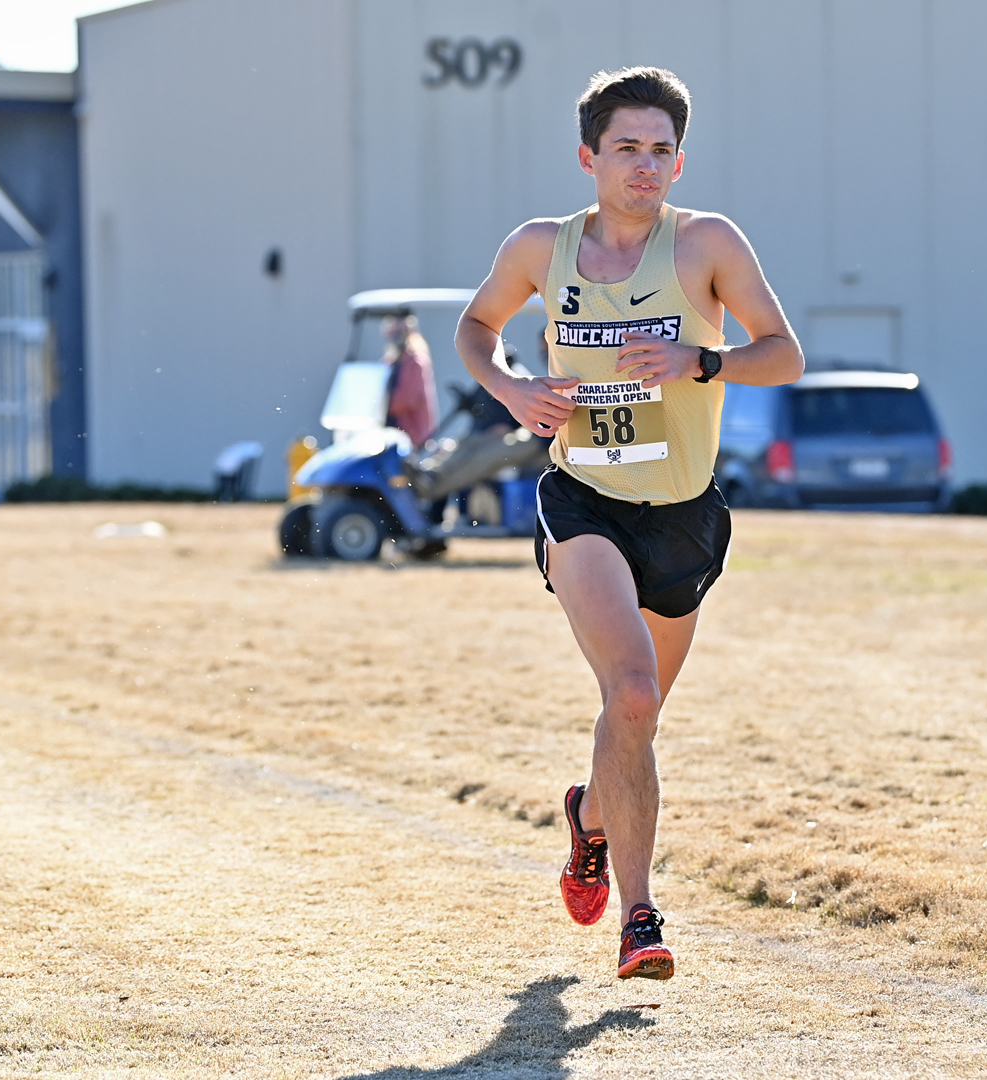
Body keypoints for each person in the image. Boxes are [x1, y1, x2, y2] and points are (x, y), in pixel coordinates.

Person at [456, 67, 803, 980]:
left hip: (682, 512)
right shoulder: (542, 247)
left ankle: (589, 818)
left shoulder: (707, 244)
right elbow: (476, 328)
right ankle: (639, 918)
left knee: (632, 718)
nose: (645, 165)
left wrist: (702, 360)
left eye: (660, 150)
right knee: (635, 692)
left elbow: (785, 356)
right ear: (589, 157)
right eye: (626, 148)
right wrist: (512, 388)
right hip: (584, 500)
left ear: (678, 162)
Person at [383, 314, 439, 446]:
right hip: (390, 430)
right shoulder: (390, 362)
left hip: (411, 434)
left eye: (401, 332)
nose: (397, 337)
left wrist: (378, 406)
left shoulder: (416, 362)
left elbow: (404, 400)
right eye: (393, 332)